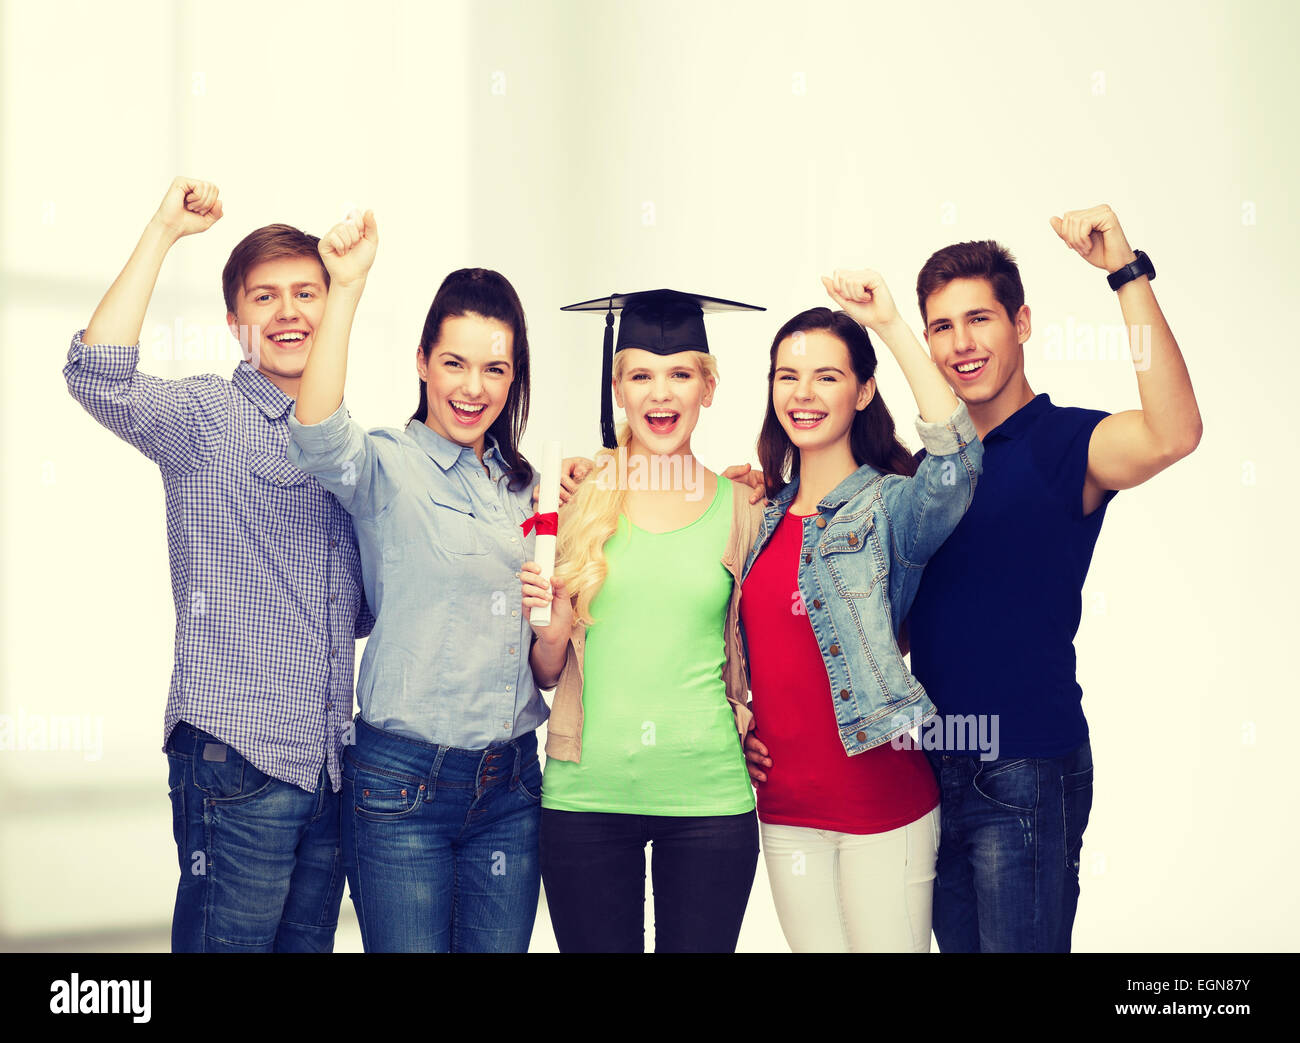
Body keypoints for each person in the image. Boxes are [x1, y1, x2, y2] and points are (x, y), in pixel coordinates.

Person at [747, 206, 1202, 952]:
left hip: (1024, 764)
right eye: (940, 327)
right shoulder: (915, 471)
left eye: (979, 319)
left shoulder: (1067, 444)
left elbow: (1174, 433)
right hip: (927, 767)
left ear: (1021, 322)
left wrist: (1125, 272)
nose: (961, 344)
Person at [63, 177, 371, 952]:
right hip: (239, 763)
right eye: (265, 298)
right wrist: (165, 229)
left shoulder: (347, 443)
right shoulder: (205, 415)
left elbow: (361, 608)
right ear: (236, 323)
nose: (291, 311)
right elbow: (97, 377)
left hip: (329, 769)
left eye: (308, 292)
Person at [286, 210, 547, 953]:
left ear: (513, 377)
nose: (473, 387)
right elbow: (315, 430)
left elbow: (540, 649)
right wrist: (346, 287)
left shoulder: (524, 490)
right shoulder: (385, 466)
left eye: (495, 368)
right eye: (455, 363)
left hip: (512, 787)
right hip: (402, 789)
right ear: (423, 362)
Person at [738, 271, 982, 952]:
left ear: (863, 389)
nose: (803, 394)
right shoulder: (757, 517)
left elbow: (958, 463)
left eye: (826, 376)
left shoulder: (889, 507)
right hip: (784, 808)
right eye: (787, 376)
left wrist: (891, 325)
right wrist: (739, 719)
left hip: (882, 802)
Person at [524, 289, 765, 953]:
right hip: (585, 797)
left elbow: (767, 640)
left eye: (681, 373)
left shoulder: (744, 505)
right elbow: (547, 670)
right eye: (641, 375)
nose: (661, 394)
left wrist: (759, 725)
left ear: (708, 387)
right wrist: (548, 627)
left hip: (708, 799)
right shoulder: (572, 500)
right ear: (618, 388)